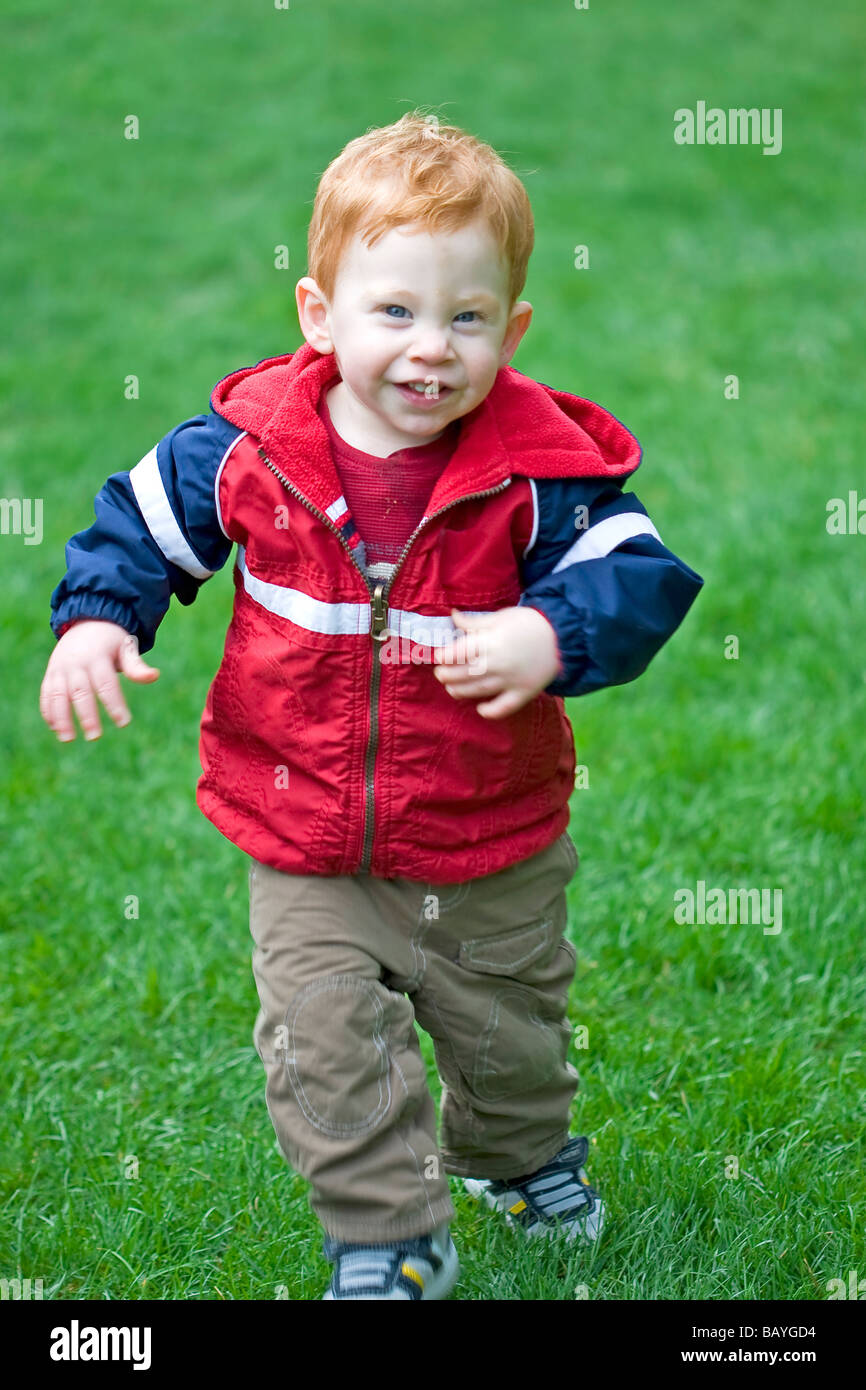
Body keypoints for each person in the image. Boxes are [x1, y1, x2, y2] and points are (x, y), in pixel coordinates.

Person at [41, 111, 704, 1300]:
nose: (429, 349)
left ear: (512, 328)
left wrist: (549, 630)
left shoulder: (540, 474)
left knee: (507, 1035)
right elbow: (138, 527)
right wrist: (98, 615)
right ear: (319, 314)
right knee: (322, 1041)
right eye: (393, 312)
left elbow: (639, 573)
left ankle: (516, 1154)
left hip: (486, 838)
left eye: (464, 318)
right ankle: (386, 1235)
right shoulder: (249, 451)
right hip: (305, 838)